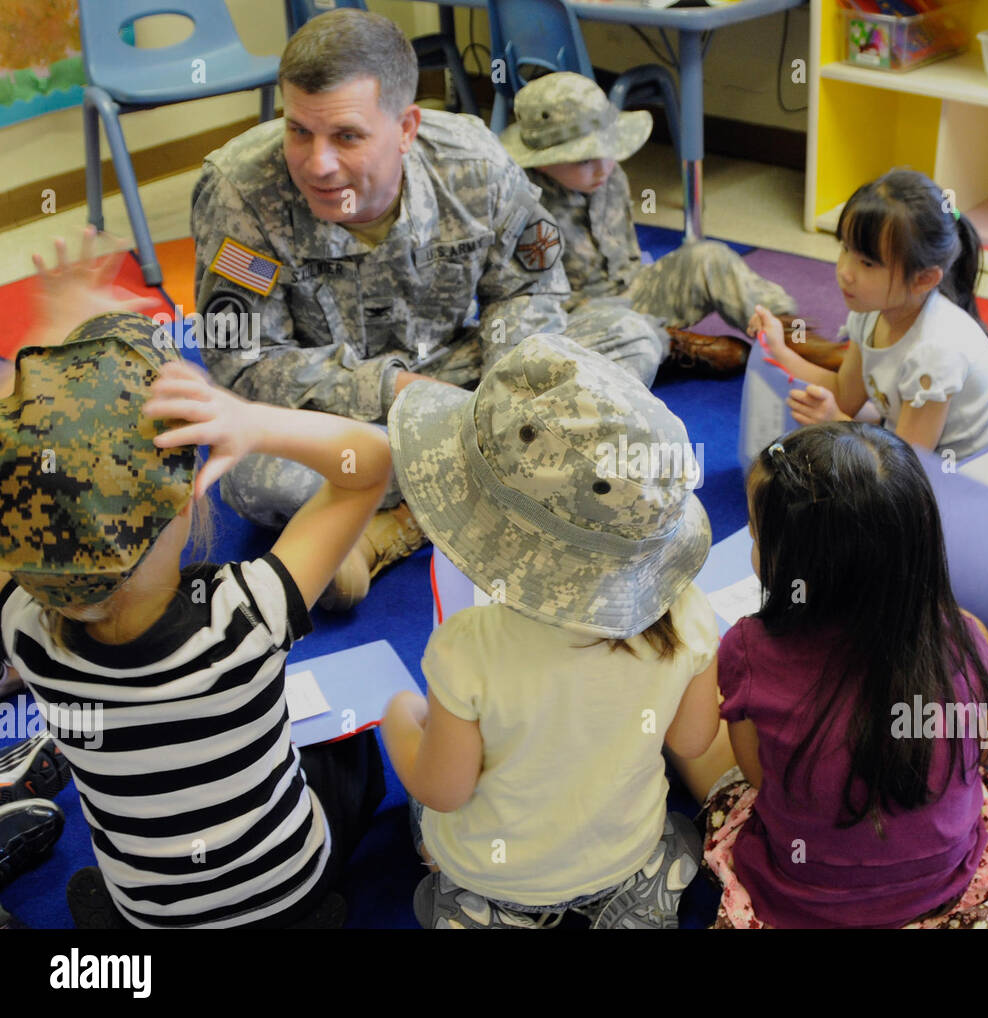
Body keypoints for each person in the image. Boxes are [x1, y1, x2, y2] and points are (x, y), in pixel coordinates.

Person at [190, 10, 651, 610]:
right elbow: (244, 365)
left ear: (406, 126)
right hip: (348, 417)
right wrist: (394, 392)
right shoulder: (238, 189)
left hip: (467, 378)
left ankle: (394, 526)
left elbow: (529, 288)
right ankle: (516, 489)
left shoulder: (476, 162)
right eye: (298, 130)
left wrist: (513, 392)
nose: (317, 163)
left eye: (347, 136)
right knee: (258, 478)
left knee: (629, 338)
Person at [0, 307, 391, 928]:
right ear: (186, 500)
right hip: (291, 887)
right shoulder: (251, 611)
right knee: (353, 751)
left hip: (148, 914)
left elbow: (33, 483)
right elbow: (368, 462)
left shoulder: (20, 628)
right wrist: (249, 418)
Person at [381, 333, 720, 929]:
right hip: (626, 856)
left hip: (498, 875)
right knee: (670, 833)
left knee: (422, 801)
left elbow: (444, 791)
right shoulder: (688, 615)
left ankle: (496, 909)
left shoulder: (468, 648)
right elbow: (693, 742)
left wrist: (397, 719)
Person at [671, 423, 988, 928]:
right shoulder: (966, 636)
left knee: (691, 720)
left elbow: (761, 777)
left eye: (757, 537)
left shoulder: (748, 649)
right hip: (945, 889)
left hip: (801, 900)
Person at [500, 73, 843, 378]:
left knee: (708, 257)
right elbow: (532, 312)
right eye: (586, 159)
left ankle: (791, 341)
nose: (604, 168)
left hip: (632, 288)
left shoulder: (609, 176)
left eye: (610, 150)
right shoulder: (523, 209)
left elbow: (630, 262)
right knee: (608, 337)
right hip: (578, 320)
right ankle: (672, 345)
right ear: (543, 164)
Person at [749, 169, 988, 461]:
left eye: (867, 263)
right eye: (846, 248)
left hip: (973, 487)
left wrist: (835, 421)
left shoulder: (935, 350)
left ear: (924, 280)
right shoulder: (872, 314)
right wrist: (777, 348)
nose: (845, 272)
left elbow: (906, 469)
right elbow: (843, 394)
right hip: (918, 456)